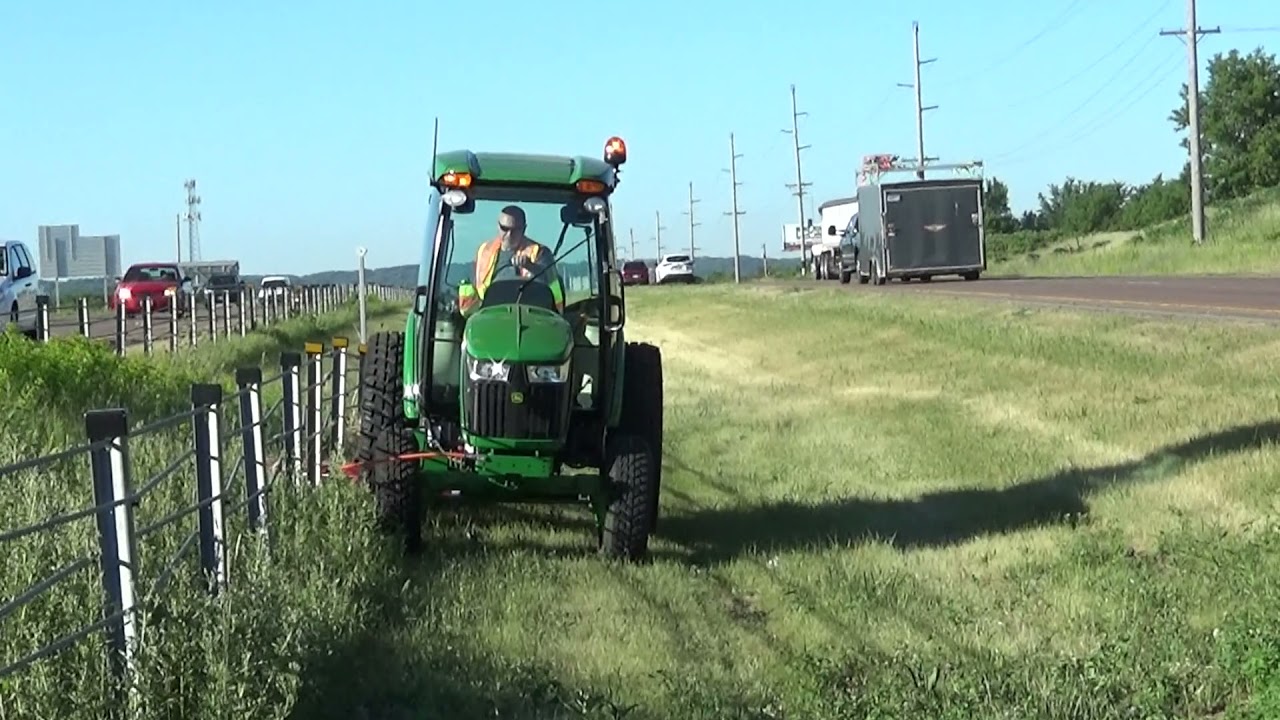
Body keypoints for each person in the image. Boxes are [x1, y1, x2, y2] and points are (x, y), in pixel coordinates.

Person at [458, 205, 566, 316]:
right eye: (504, 228)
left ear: (524, 229)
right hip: (489, 316)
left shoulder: (539, 252)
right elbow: (473, 286)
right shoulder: (483, 251)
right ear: (498, 226)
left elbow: (549, 279)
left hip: (531, 316)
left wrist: (530, 266)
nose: (509, 235)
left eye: (515, 230)